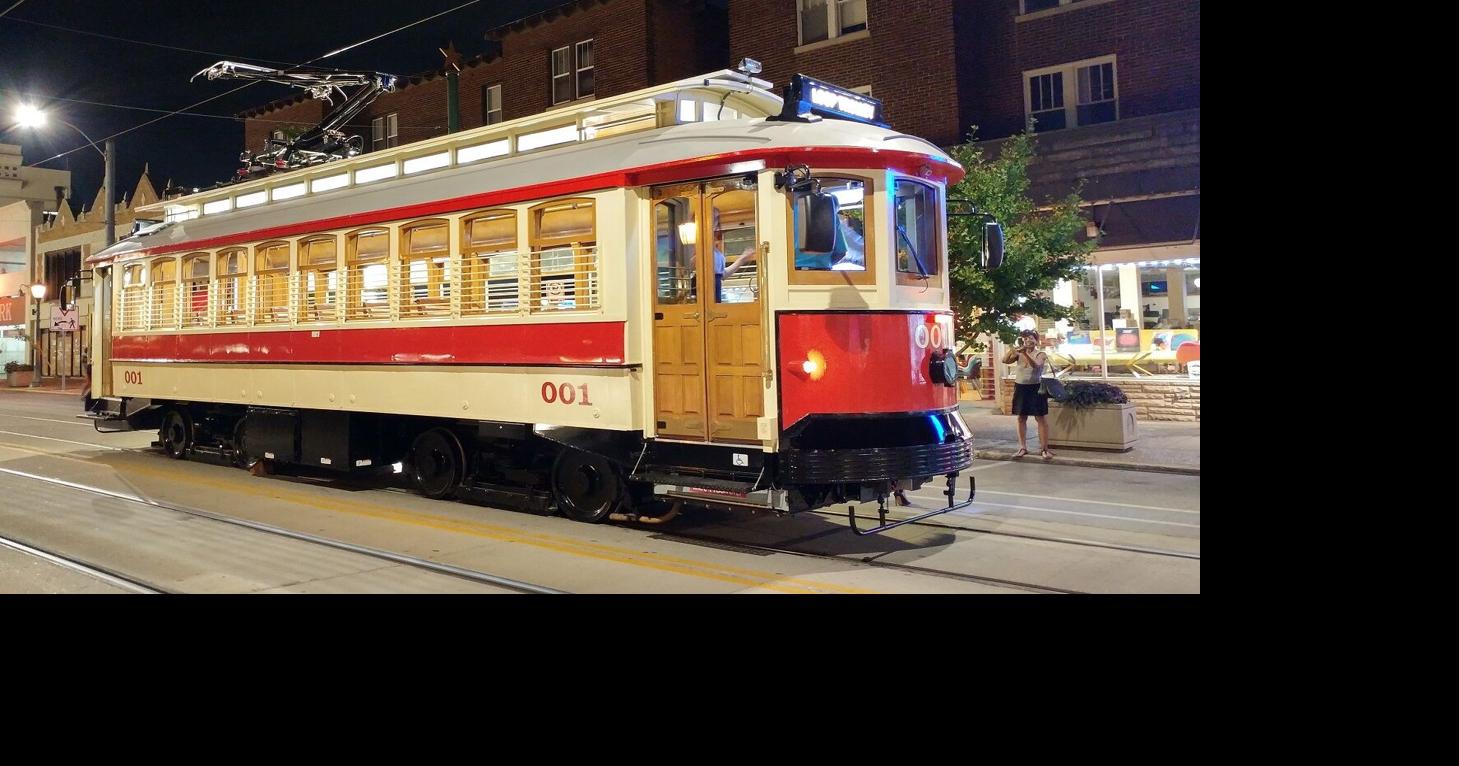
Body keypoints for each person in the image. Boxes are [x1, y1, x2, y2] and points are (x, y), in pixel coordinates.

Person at [1003, 329, 1053, 460]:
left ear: (1036, 340)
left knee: (1040, 418)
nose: (1028, 341)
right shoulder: (1019, 354)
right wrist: (1013, 349)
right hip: (1021, 388)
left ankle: (1044, 449)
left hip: (1036, 388)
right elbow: (1004, 360)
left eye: (1031, 338)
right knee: (1021, 418)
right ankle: (1022, 447)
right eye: (1025, 339)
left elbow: (1036, 365)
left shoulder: (1041, 354)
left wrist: (1025, 353)